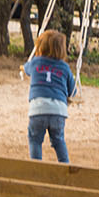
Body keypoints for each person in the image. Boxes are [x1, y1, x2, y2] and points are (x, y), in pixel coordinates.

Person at [23, 27, 77, 164]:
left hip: (38, 109)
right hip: (58, 110)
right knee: (58, 140)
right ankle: (65, 165)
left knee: (35, 140)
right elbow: (72, 91)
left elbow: (26, 69)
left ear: (39, 47)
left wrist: (24, 68)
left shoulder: (35, 62)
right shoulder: (65, 68)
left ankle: (37, 167)